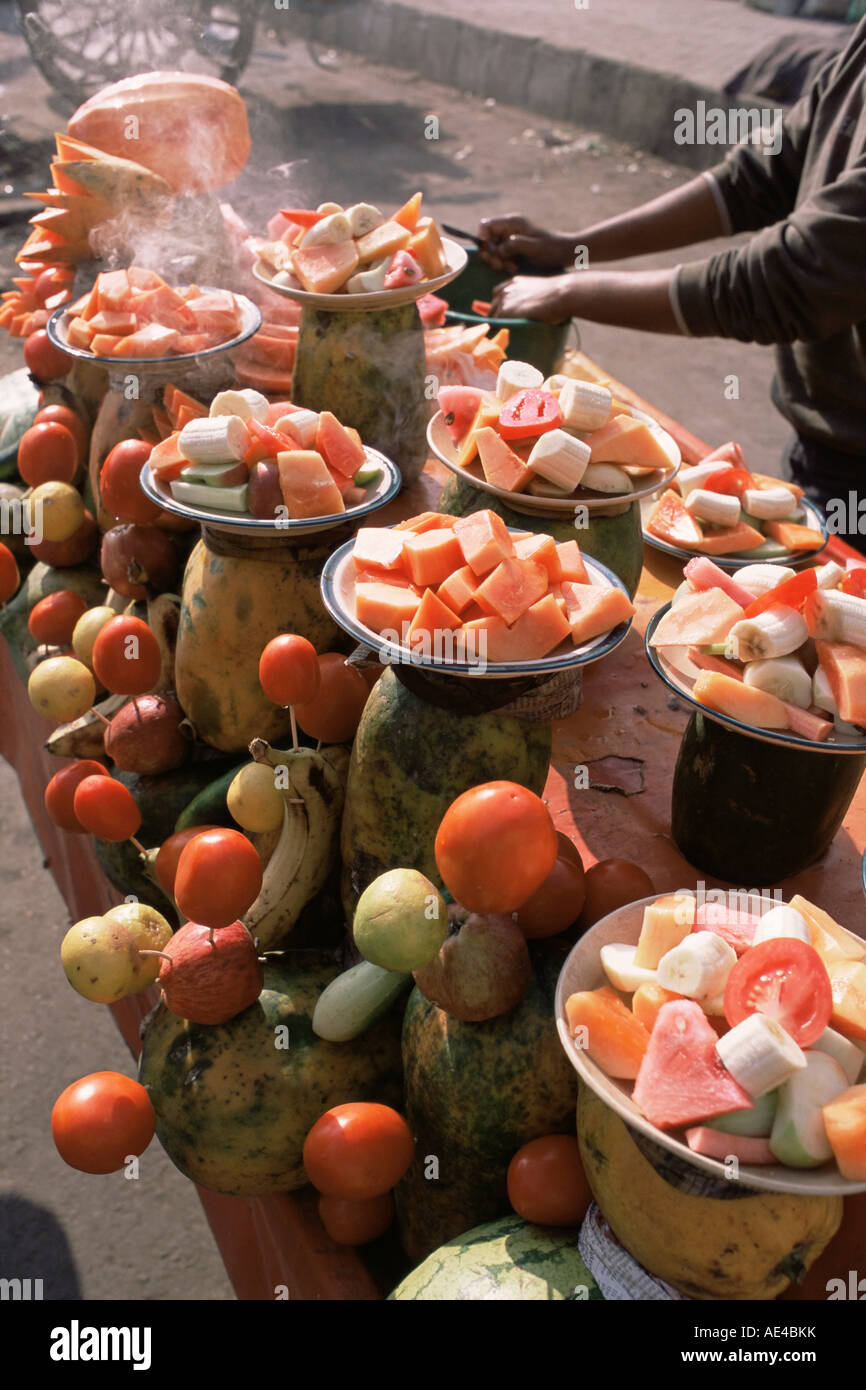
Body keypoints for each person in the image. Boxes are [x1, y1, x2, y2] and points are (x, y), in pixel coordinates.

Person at [481, 18, 866, 549]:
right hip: (827, 444)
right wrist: (575, 247)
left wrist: (572, 291)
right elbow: (757, 180)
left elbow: (785, 281)